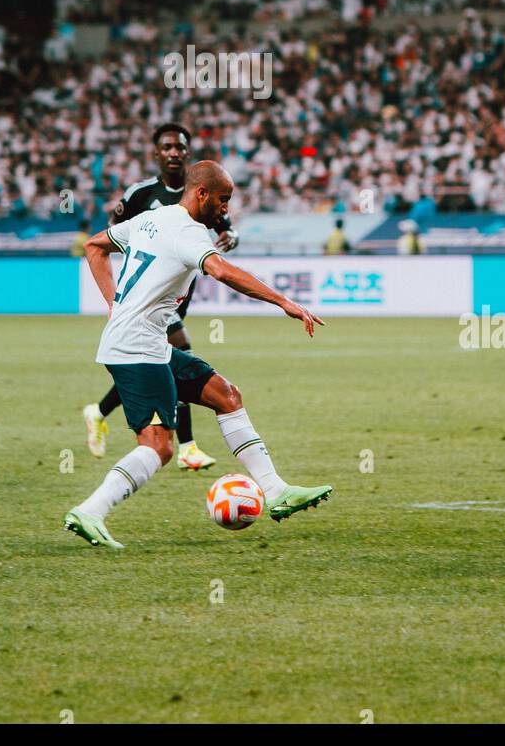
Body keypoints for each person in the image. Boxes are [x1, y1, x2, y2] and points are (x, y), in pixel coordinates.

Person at [64, 161, 333, 550]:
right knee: (158, 446)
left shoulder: (150, 220)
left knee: (226, 395)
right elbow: (222, 272)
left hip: (150, 341)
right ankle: (90, 510)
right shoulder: (188, 232)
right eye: (223, 200)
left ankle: (275, 491)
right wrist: (284, 302)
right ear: (201, 193)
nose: (226, 209)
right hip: (136, 347)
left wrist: (115, 303)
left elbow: (94, 245)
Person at [81, 123, 238, 472]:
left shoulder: (204, 190)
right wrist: (117, 299)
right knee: (178, 352)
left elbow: (225, 228)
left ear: (187, 152)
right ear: (156, 152)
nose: (173, 152)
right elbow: (111, 238)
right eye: (166, 147)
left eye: (179, 147)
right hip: (149, 295)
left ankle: (99, 411)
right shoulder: (140, 195)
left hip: (180, 293)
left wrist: (231, 237)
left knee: (154, 361)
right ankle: (188, 447)